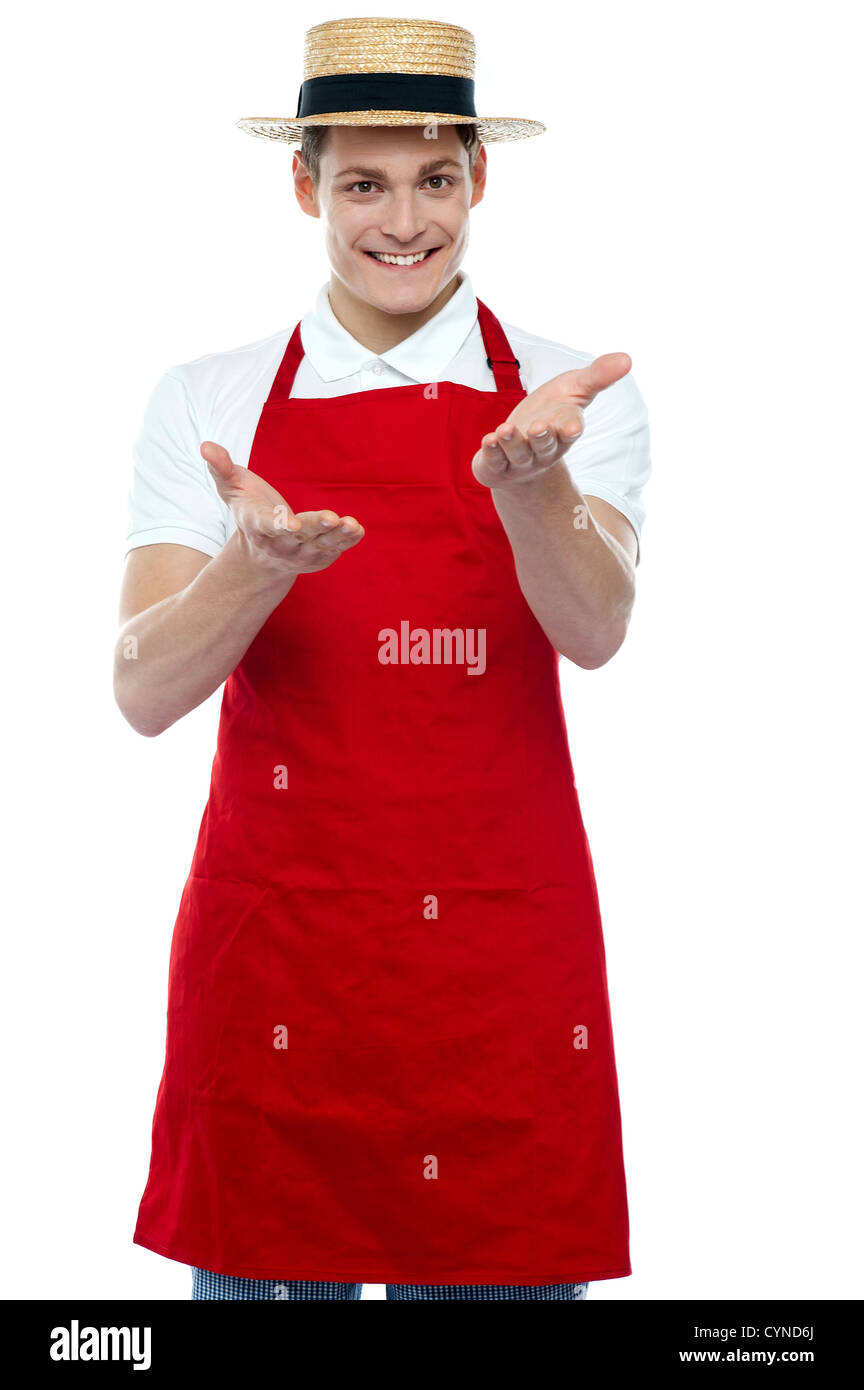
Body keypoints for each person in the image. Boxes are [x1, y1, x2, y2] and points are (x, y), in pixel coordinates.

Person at [116, 16, 651, 1303]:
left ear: (480, 177)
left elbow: (596, 630)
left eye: (434, 179)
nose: (403, 220)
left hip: (497, 984)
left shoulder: (577, 394)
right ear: (305, 184)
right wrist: (253, 567)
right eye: (363, 181)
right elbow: (141, 690)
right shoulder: (212, 398)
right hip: (280, 977)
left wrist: (536, 491)